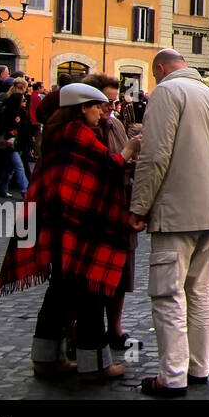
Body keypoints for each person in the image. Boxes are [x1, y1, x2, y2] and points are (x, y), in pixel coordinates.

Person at [0, 83, 140, 381]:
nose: (102, 113)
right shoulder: (77, 132)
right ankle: (95, 365)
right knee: (89, 292)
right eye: (98, 107)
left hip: (58, 222)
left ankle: (46, 360)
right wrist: (130, 149)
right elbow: (106, 166)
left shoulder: (57, 132)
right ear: (82, 107)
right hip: (77, 225)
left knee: (60, 292)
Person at [129, 50, 209, 396]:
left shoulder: (167, 93)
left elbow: (154, 155)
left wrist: (139, 206)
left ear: (160, 69)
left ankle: (172, 376)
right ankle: (199, 366)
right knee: (201, 292)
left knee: (168, 293)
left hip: (175, 210)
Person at [82, 73, 137, 353]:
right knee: (86, 277)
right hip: (91, 211)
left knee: (120, 272)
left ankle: (115, 329)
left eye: (114, 103)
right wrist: (127, 154)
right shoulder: (82, 129)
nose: (111, 109)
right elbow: (100, 164)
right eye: (106, 103)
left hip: (119, 204)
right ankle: (78, 337)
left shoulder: (115, 124)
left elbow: (123, 159)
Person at [0, 78, 32, 198]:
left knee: (10, 167)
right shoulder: (13, 113)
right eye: (24, 100)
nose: (25, 102)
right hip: (9, 142)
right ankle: (25, 191)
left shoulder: (9, 108)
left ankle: (2, 189)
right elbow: (9, 127)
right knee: (18, 166)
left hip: (8, 141)